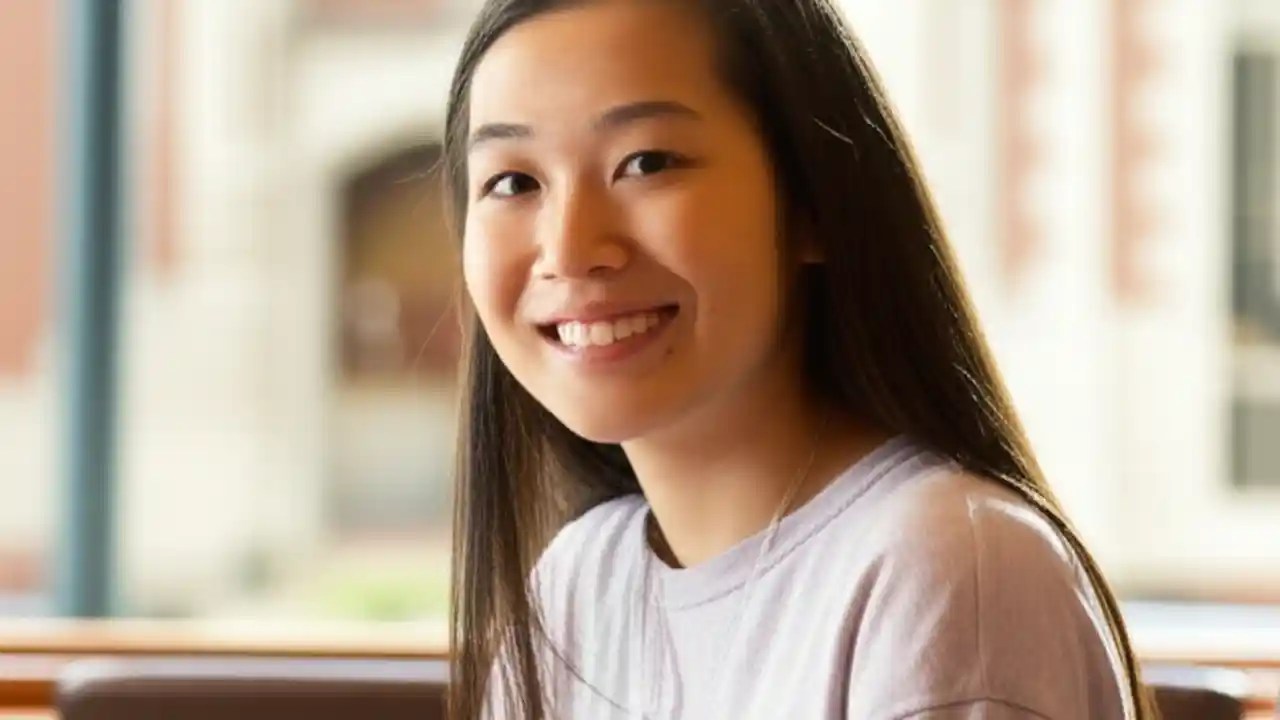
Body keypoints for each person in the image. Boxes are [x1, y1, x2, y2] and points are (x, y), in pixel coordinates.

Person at [442, 0, 1153, 717]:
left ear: (813, 200)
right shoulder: (579, 586)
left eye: (647, 162)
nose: (568, 248)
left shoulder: (940, 567)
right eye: (513, 183)